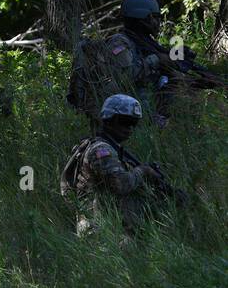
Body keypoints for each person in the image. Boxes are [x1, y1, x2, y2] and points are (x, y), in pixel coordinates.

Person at [60, 94, 185, 236]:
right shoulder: (101, 150)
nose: (130, 128)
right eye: (125, 121)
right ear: (109, 119)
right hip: (99, 230)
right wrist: (143, 171)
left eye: (134, 123)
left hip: (111, 227)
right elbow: (121, 184)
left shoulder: (114, 150)